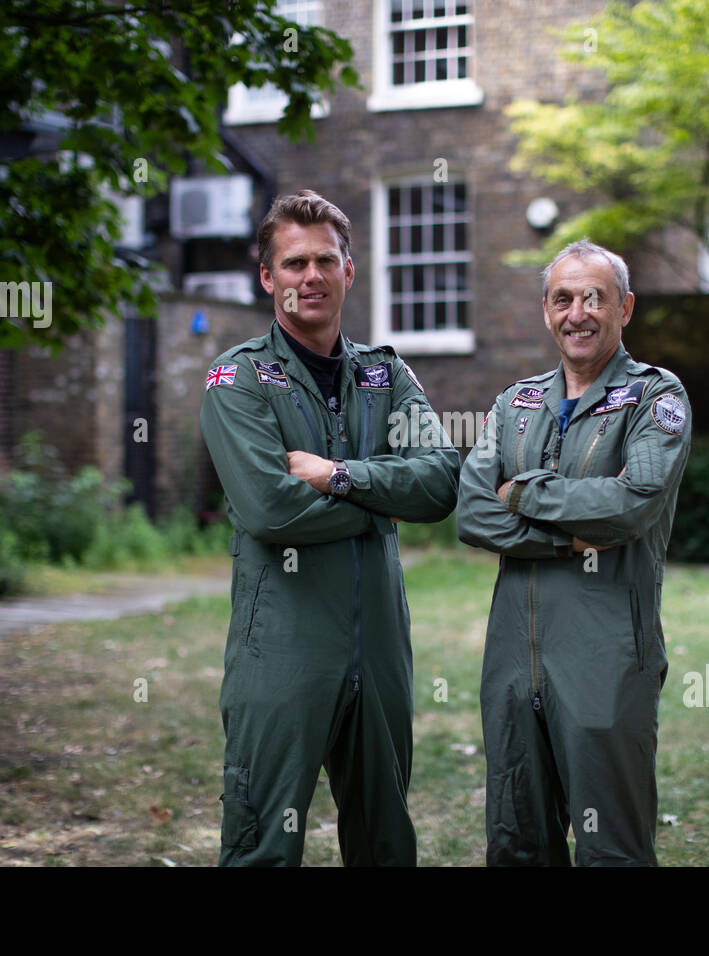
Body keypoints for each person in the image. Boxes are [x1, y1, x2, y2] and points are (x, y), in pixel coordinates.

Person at [200, 190, 460, 866]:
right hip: (280, 653)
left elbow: (439, 482)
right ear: (268, 278)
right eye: (293, 264)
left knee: (383, 841)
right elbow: (270, 509)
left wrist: (342, 477)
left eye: (325, 260)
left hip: (379, 652)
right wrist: (383, 505)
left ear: (349, 269)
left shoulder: (386, 373)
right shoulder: (240, 379)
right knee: (263, 845)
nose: (310, 277)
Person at [456, 239, 692, 866]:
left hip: (606, 658)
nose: (577, 313)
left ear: (626, 307)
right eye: (563, 299)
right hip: (511, 661)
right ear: (545, 310)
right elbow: (474, 511)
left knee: (611, 847)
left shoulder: (653, 397)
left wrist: (524, 490)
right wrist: (571, 534)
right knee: (516, 844)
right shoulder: (516, 403)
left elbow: (631, 503)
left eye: (595, 298)